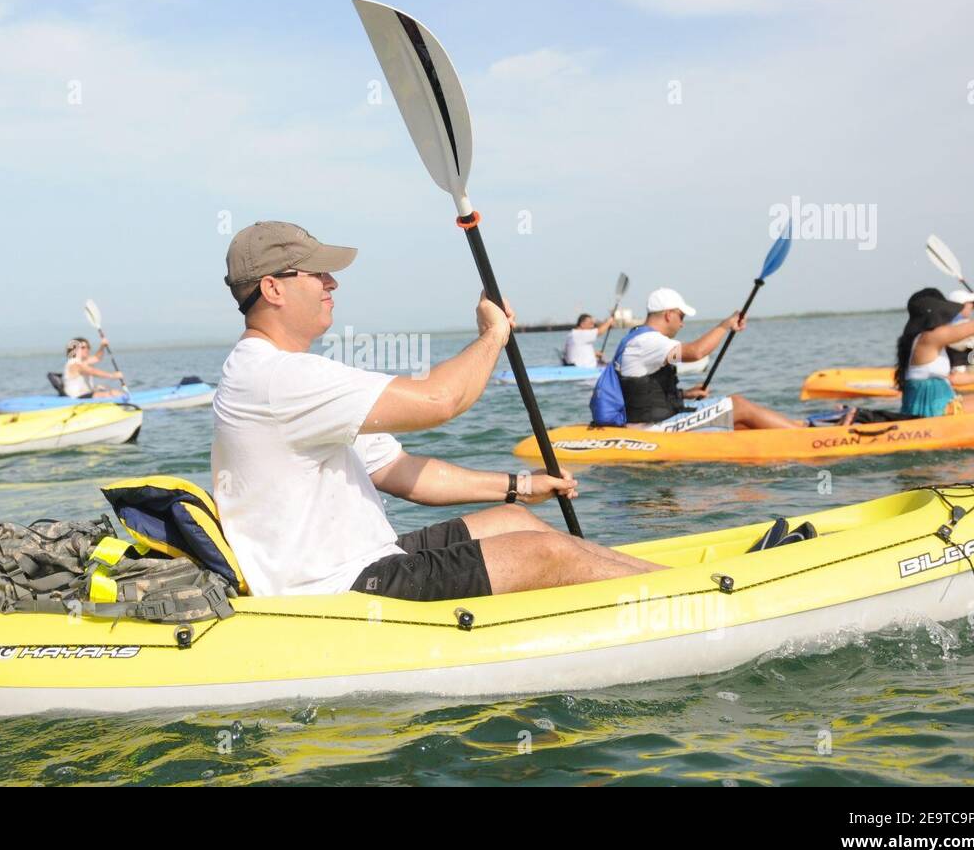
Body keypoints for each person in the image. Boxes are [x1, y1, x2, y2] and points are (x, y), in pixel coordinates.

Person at [211, 221, 663, 600]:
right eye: (317, 273)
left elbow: (399, 470)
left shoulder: (285, 375)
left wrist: (520, 486)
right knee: (546, 554)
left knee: (513, 520)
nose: (332, 283)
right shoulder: (278, 377)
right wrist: (492, 336)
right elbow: (440, 400)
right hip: (333, 590)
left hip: (371, 558)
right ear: (272, 288)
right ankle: (682, 599)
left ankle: (660, 579)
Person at [615, 288, 802, 429]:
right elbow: (697, 352)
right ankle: (804, 438)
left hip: (653, 418)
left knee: (740, 422)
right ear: (669, 314)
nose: (682, 323)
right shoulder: (648, 340)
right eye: (681, 316)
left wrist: (684, 394)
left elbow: (641, 391)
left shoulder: (639, 337)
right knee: (739, 405)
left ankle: (796, 429)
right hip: (651, 428)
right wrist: (725, 326)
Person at [896, 285, 974, 417]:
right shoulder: (930, 337)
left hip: (942, 403)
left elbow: (953, 378)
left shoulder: (922, 340)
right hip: (933, 411)